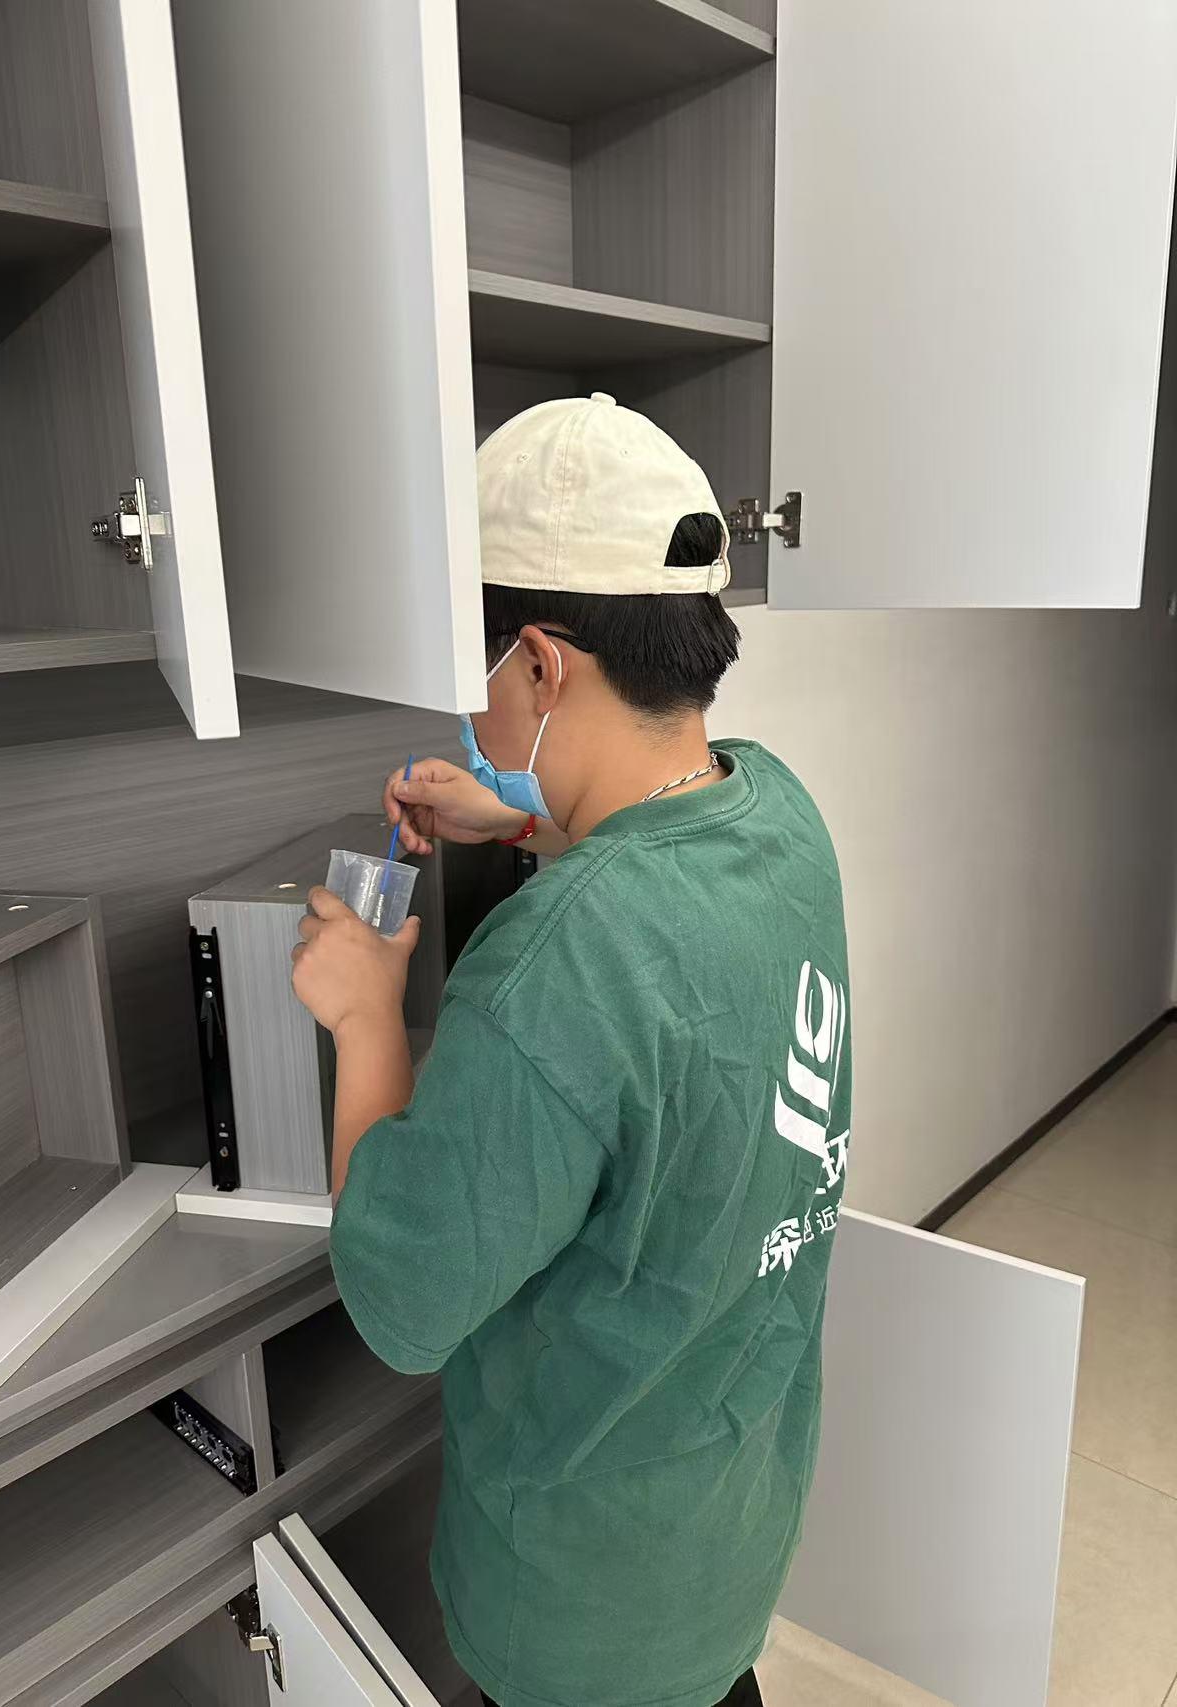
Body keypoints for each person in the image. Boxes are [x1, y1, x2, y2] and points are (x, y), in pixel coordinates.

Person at [291, 394, 851, 1707]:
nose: (469, 710)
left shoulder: (556, 959)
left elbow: (404, 1306)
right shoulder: (781, 815)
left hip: (580, 1611)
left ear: (541, 664)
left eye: (478, 672)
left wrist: (366, 1016)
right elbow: (659, 928)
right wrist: (524, 815)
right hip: (726, 1531)